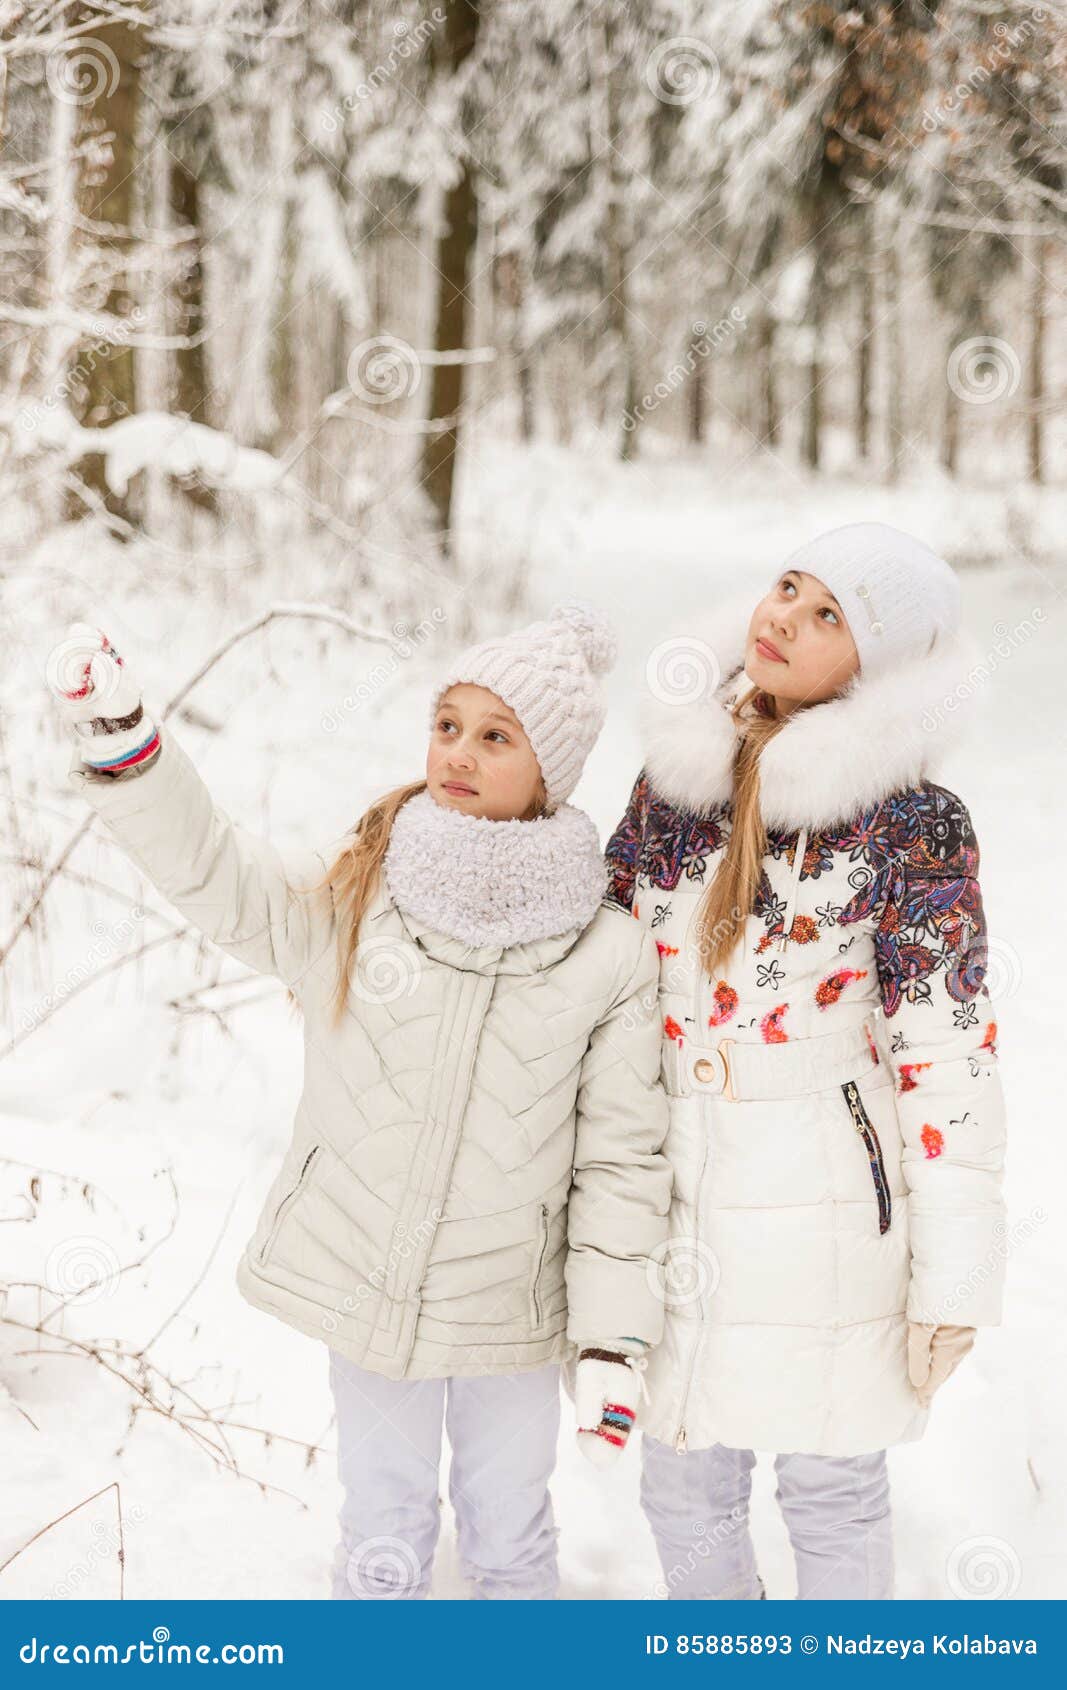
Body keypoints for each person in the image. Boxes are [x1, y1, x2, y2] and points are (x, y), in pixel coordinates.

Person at [47, 599, 672, 1600]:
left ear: (548, 771)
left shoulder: (606, 955)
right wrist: (131, 755)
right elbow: (221, 875)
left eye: (494, 735)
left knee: (510, 1534)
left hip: (510, 1314)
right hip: (368, 1296)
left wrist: (609, 1336)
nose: (458, 752)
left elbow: (620, 1160)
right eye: (447, 724)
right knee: (383, 1531)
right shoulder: (360, 894)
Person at [604, 524, 1007, 1600]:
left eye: (829, 614)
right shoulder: (672, 785)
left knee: (829, 1485)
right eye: (787, 586)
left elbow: (948, 1047)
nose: (783, 616)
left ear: (875, 667)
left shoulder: (909, 825)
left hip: (827, 1201)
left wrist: (955, 1276)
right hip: (676, 1182)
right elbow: (592, 967)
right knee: (681, 1479)